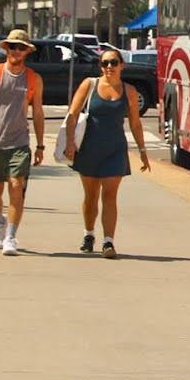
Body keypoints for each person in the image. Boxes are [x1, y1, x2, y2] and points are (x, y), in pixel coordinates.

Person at [62, 48, 150, 259]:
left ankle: (108, 241)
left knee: (110, 196)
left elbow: (135, 123)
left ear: (122, 65)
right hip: (89, 148)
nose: (109, 67)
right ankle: (89, 234)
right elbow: (72, 114)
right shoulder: (89, 85)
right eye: (105, 63)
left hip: (115, 149)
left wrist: (142, 150)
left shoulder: (129, 90)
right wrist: (70, 143)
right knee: (90, 197)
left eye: (113, 62)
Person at [0, 28, 46, 256]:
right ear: (6, 49)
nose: (16, 51)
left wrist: (41, 145)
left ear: (26, 52)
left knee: (16, 187)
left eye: (21, 47)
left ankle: (11, 237)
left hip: (19, 142)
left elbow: (38, 112)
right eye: (12, 46)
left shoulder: (34, 78)